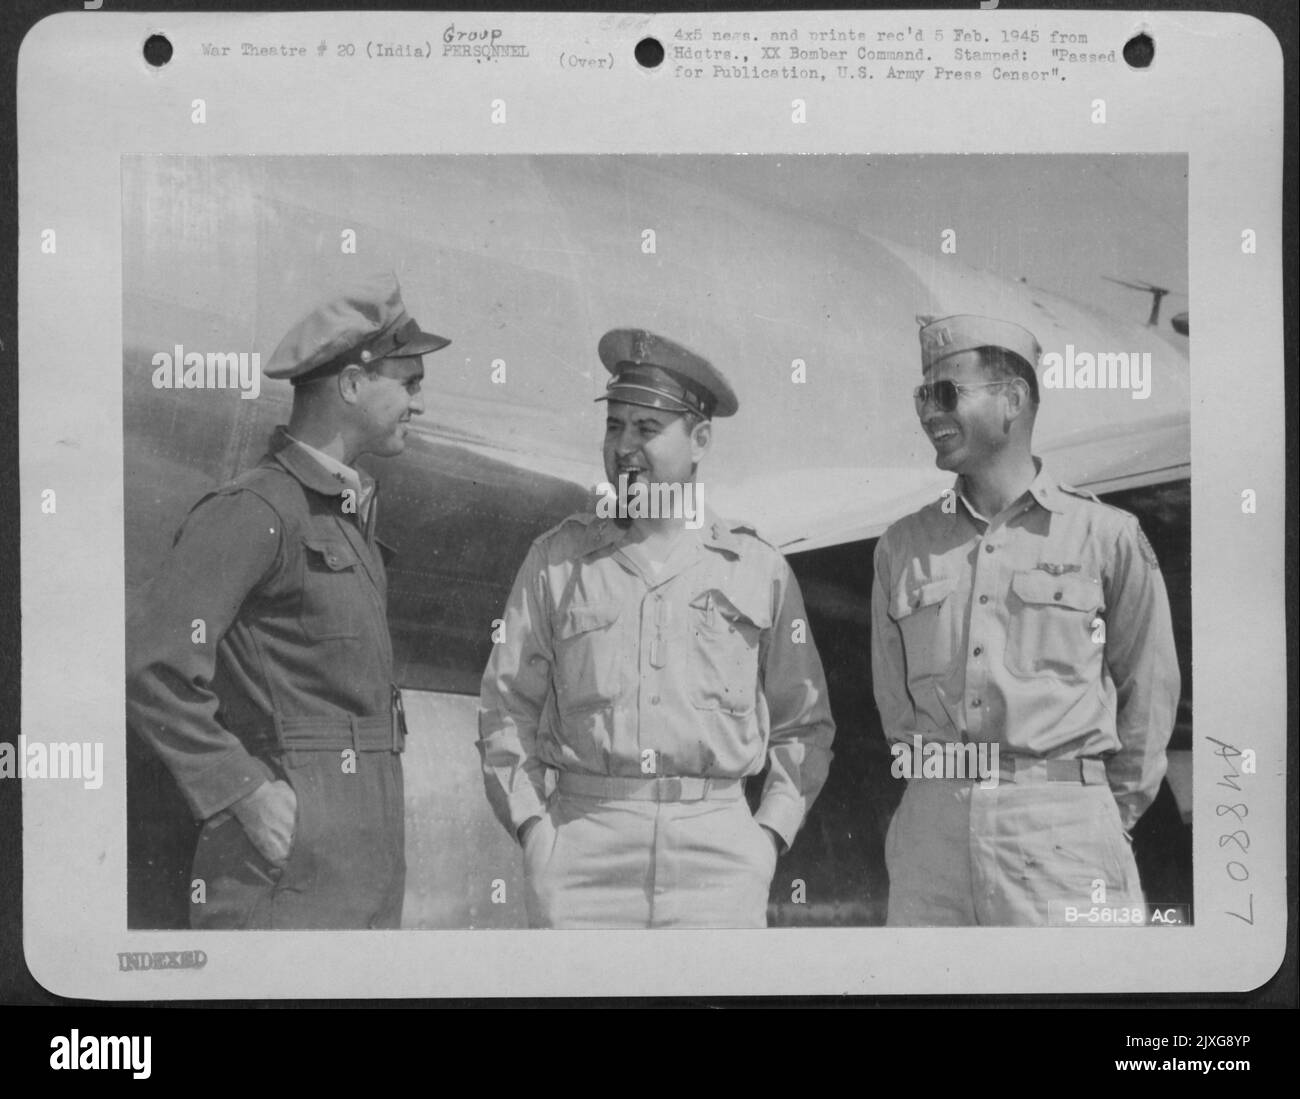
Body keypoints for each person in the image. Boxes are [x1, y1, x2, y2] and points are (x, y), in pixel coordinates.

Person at [479, 328, 835, 928]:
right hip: (583, 850)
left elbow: (804, 721)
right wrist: (536, 831)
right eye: (614, 426)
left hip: (718, 856)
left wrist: (765, 838)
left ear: (699, 439)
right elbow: (505, 706)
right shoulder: (558, 560)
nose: (624, 447)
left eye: (646, 430)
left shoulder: (758, 569)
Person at [127, 272, 449, 929]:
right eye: (410, 382)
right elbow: (151, 664)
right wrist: (242, 791)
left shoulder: (341, 514)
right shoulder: (254, 510)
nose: (420, 403)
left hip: (364, 865)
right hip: (284, 875)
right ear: (354, 385)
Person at [871, 313, 1180, 926]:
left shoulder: (1106, 537)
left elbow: (1149, 697)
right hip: (933, 840)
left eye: (946, 394)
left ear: (1012, 399)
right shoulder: (901, 546)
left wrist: (1091, 816)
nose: (929, 414)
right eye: (921, 397)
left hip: (1063, 838)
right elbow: (895, 707)